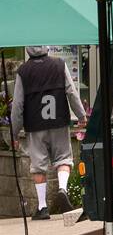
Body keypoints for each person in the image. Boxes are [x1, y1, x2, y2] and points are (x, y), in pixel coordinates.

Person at [10, 46, 86, 219]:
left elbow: (17, 106)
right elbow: (72, 92)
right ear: (47, 48)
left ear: (28, 50)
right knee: (64, 158)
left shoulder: (23, 71)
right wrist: (81, 115)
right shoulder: (59, 64)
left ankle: (42, 208)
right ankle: (62, 188)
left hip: (35, 125)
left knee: (38, 165)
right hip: (59, 122)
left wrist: (14, 133)